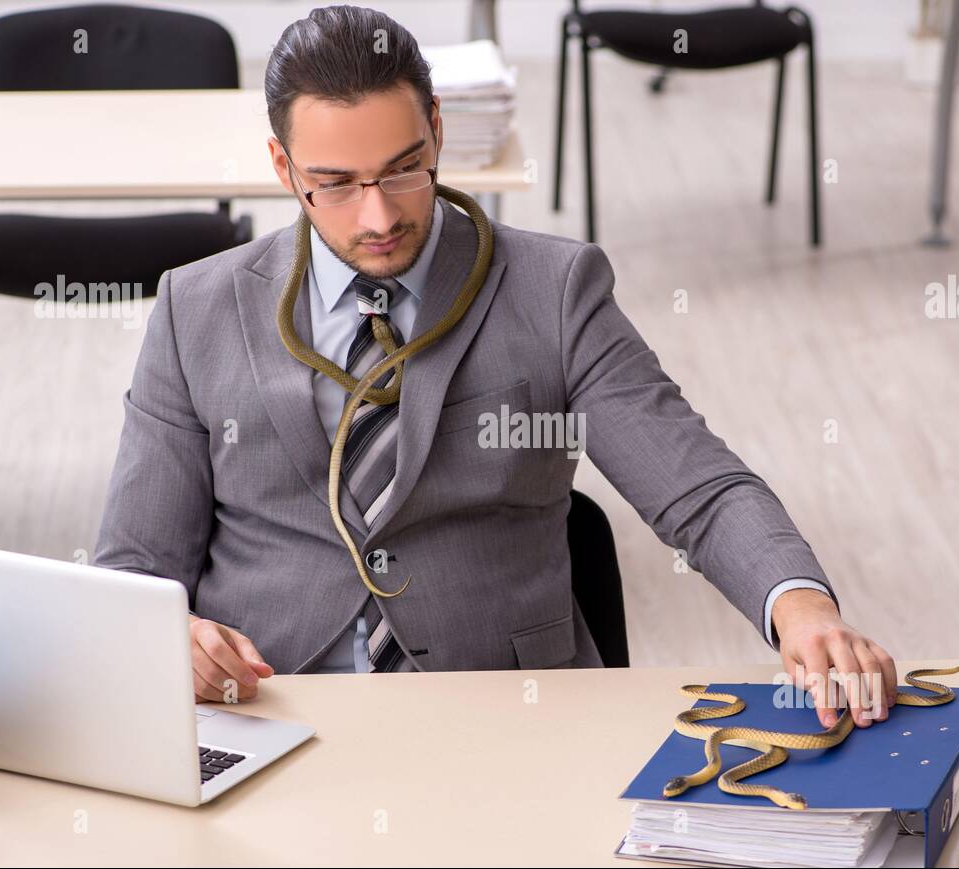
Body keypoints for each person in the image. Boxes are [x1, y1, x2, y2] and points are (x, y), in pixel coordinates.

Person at [94, 5, 896, 730]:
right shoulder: (192, 307)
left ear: (438, 130)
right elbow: (133, 571)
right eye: (334, 186)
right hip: (270, 711)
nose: (377, 216)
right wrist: (176, 636)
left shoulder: (555, 290)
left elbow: (699, 488)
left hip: (510, 713)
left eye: (404, 169)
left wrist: (801, 608)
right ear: (283, 168)